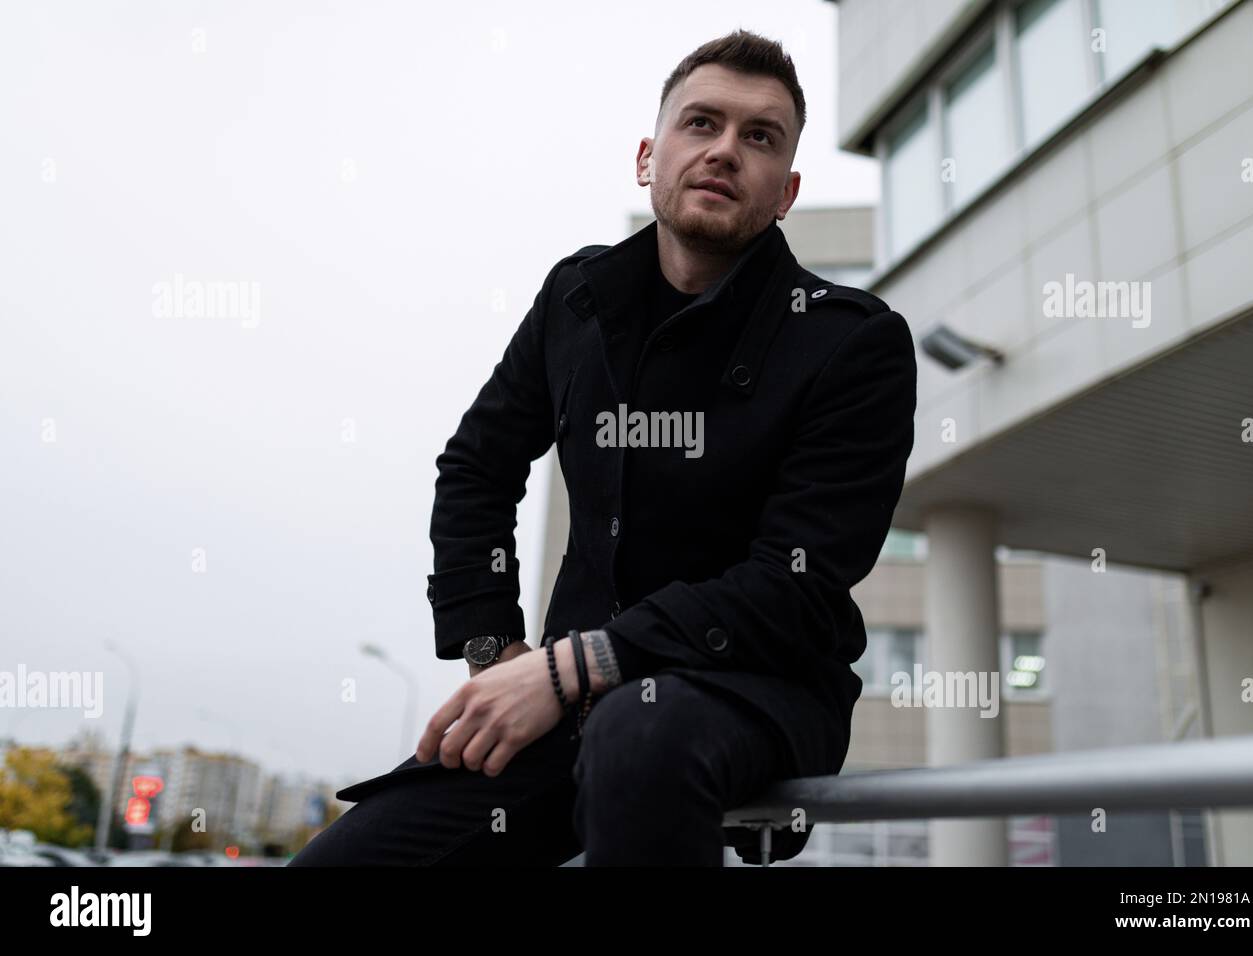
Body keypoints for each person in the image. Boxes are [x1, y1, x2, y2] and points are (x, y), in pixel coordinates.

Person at [289, 27, 916, 868]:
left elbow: (792, 587)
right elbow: (476, 467)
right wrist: (493, 654)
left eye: (759, 136)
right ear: (647, 157)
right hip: (563, 701)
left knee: (640, 730)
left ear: (787, 189)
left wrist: (574, 667)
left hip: (754, 689)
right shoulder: (576, 299)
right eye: (702, 124)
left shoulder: (854, 343)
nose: (725, 150)